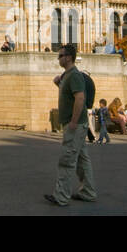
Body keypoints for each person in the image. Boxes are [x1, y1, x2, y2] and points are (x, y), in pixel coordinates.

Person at [45, 45, 96, 206]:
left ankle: (61, 196)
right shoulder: (67, 76)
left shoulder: (74, 75)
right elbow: (68, 95)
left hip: (74, 124)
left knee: (67, 160)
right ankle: (88, 191)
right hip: (76, 124)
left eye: (60, 56)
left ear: (68, 57)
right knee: (82, 160)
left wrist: (74, 121)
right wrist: (58, 84)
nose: (58, 58)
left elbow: (79, 98)